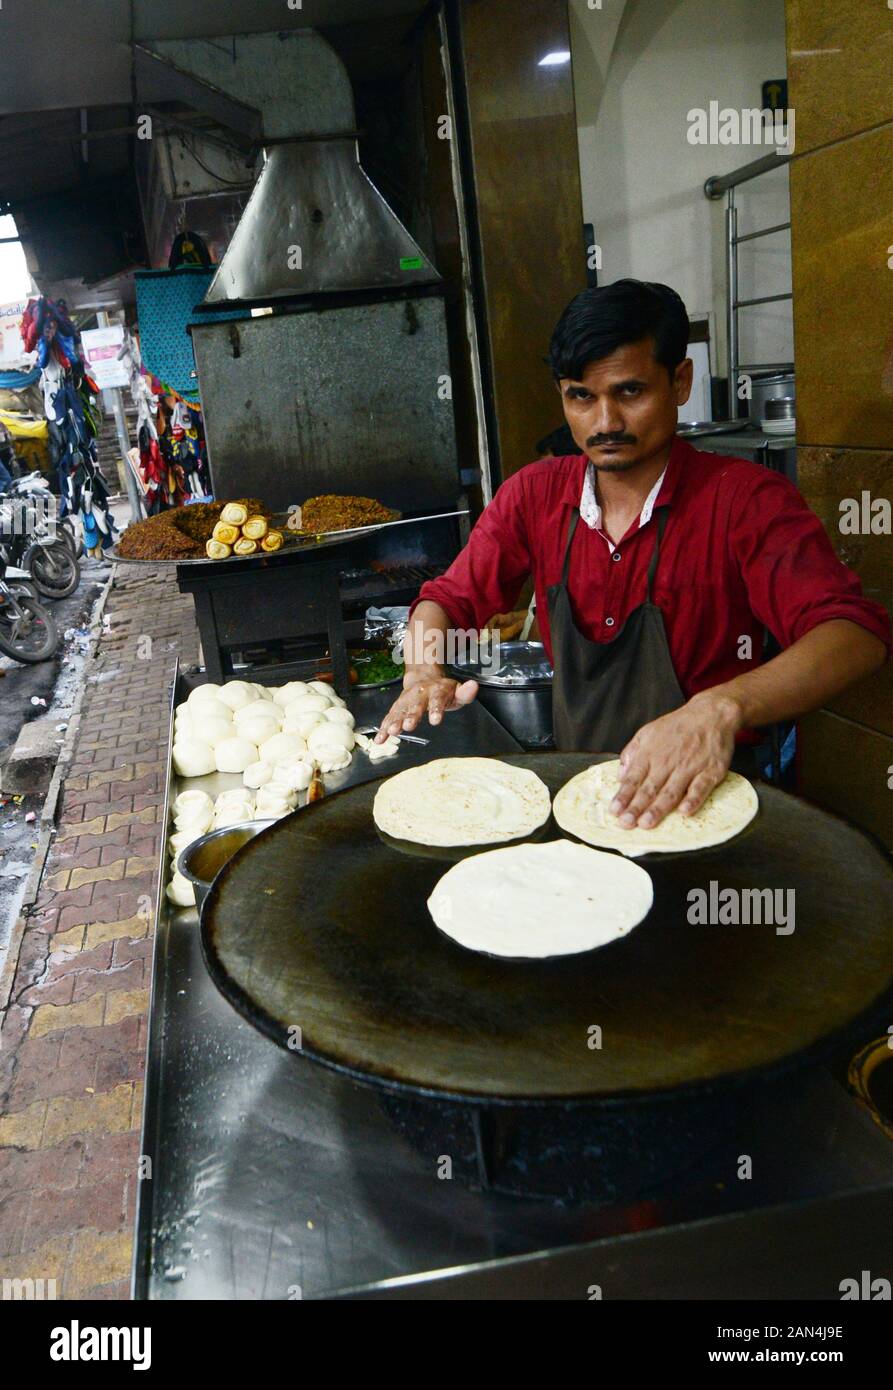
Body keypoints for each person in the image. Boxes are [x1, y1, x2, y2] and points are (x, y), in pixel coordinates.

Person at [377, 279, 889, 829]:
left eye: (629, 392)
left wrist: (720, 708)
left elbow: (852, 635)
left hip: (709, 801)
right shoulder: (534, 496)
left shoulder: (744, 500)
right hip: (581, 797)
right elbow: (447, 600)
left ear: (681, 381)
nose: (606, 424)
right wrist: (423, 669)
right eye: (581, 396)